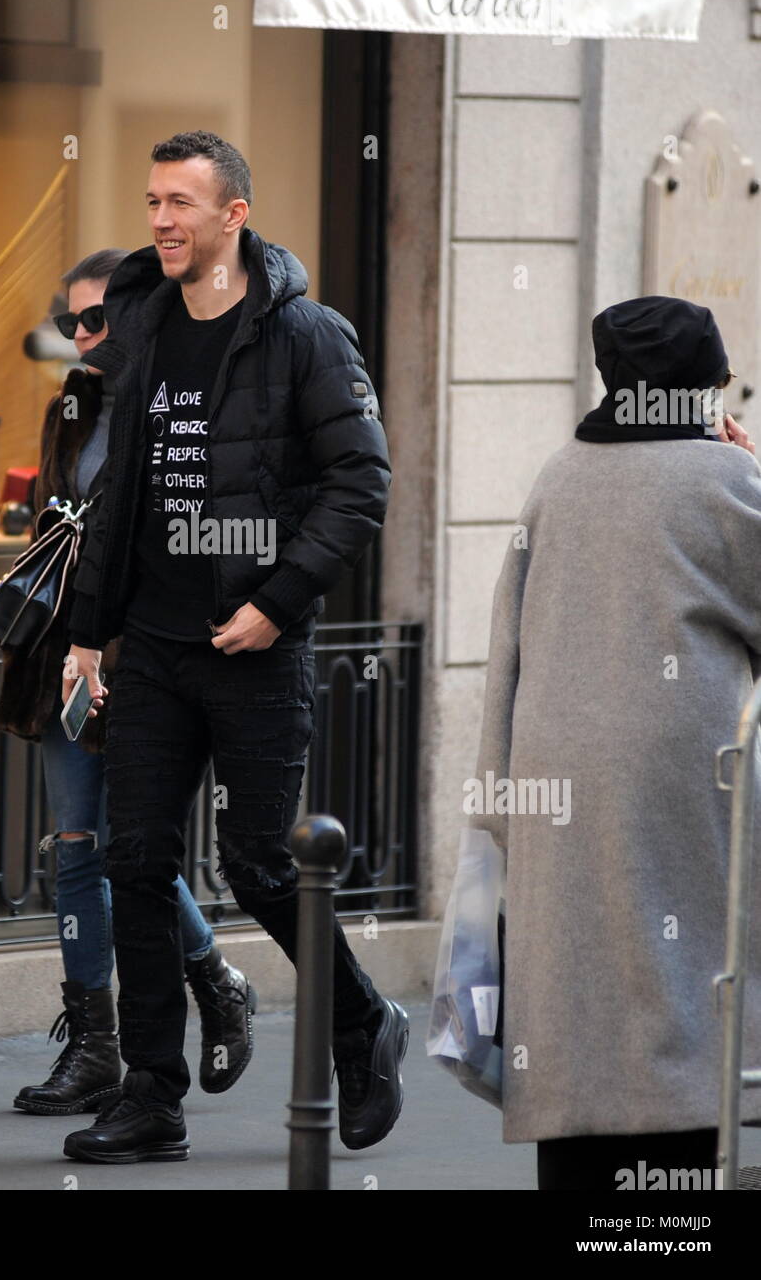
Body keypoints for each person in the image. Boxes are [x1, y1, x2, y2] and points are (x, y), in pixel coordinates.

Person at [59, 130, 409, 1165]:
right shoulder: (144, 327)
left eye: (180, 203)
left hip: (254, 644)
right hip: (155, 647)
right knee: (135, 860)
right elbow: (118, 495)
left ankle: (360, 1025)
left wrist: (279, 600)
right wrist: (88, 632)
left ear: (233, 216)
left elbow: (360, 483)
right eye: (152, 201)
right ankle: (151, 1095)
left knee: (261, 865)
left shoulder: (305, 336)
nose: (160, 220)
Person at [468, 295, 761, 1190]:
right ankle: (670, 1216)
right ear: (699, 387)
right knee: (676, 999)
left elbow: (507, 647)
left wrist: (497, 803)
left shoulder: (559, 476)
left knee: (579, 998)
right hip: (685, 769)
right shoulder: (722, 482)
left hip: (554, 771)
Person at [0, 247, 257, 1118]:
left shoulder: (178, 402)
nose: (84, 338)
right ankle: (96, 1049)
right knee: (77, 845)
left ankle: (214, 984)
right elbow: (55, 522)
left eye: (98, 320)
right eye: (72, 322)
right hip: (65, 655)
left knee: (130, 849)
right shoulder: (71, 407)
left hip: (143, 653)